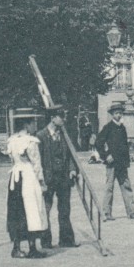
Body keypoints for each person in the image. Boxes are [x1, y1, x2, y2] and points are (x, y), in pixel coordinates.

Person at [6, 116, 49, 258]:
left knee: (17, 211)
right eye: (32, 123)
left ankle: (16, 247)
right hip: (28, 177)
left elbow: (12, 159)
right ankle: (32, 248)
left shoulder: (12, 140)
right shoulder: (31, 142)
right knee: (32, 210)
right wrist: (42, 182)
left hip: (15, 178)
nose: (34, 127)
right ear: (26, 125)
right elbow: (36, 164)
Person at [38, 108, 79, 249]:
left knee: (65, 210)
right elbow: (38, 160)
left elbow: (71, 156)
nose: (64, 119)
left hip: (63, 178)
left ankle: (66, 240)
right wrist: (40, 179)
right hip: (48, 179)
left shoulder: (65, 135)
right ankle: (46, 241)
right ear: (52, 118)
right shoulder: (41, 136)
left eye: (64, 116)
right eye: (61, 116)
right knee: (46, 210)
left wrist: (73, 170)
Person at [95, 103, 134, 221]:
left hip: (121, 163)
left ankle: (132, 211)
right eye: (116, 113)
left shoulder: (123, 128)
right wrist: (106, 155)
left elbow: (124, 147)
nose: (118, 115)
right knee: (109, 188)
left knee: (126, 186)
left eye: (120, 113)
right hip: (111, 164)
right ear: (112, 115)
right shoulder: (108, 127)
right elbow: (98, 143)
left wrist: (127, 162)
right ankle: (106, 213)